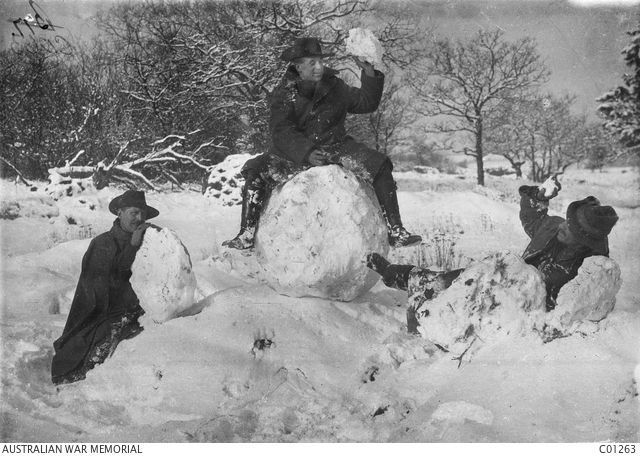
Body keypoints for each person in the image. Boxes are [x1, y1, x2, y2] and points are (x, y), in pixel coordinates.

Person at [223, 37, 421, 250]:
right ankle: (246, 235)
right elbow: (280, 130)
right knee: (256, 171)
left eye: (320, 61)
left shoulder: (336, 86)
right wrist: (306, 152)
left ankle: (396, 231)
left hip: (336, 147)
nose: (319, 67)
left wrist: (368, 72)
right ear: (298, 67)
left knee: (380, 165)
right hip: (293, 153)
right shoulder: (284, 92)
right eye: (312, 63)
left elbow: (366, 102)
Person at [366, 176, 619, 333]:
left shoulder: (587, 269)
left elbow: (579, 307)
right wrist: (538, 198)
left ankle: (425, 321)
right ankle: (393, 274)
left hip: (514, 309)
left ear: (585, 239)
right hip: (498, 279)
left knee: (451, 304)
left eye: (571, 229)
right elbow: (534, 220)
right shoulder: (554, 227)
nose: (562, 226)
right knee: (448, 279)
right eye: (566, 220)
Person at [51, 190, 158, 384]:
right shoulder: (102, 243)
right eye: (134, 213)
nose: (139, 218)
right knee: (103, 337)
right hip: (103, 311)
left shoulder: (148, 240)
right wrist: (132, 248)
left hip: (141, 307)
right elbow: (107, 284)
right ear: (120, 213)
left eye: (142, 214)